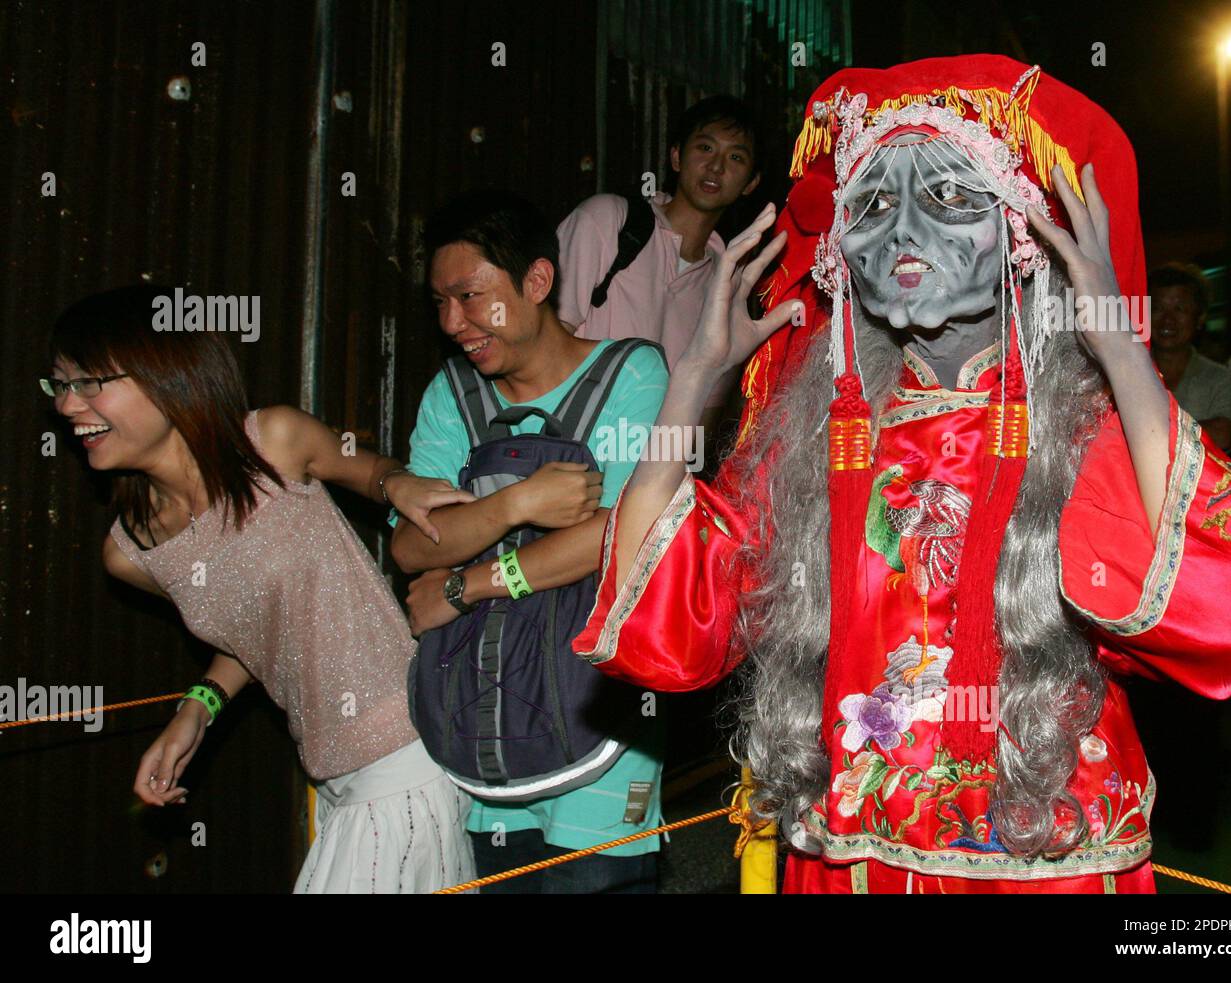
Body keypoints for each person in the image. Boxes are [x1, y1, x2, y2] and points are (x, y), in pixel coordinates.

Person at [573, 56, 1231, 893]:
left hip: (1035, 855)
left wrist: (1118, 347)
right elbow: (672, 626)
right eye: (872, 205)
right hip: (846, 852)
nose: (904, 229)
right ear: (844, 255)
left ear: (1024, 239)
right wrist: (692, 385)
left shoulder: (1080, 426)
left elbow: (1230, 591)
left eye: (951, 198)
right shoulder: (813, 439)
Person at [46, 285, 477, 893]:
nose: (68, 406)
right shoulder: (130, 551)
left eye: (89, 381)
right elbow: (254, 633)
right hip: (332, 775)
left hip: (408, 751)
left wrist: (396, 485)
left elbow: (373, 472)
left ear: (169, 374)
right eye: (60, 385)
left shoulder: (272, 442)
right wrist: (196, 710)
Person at [388, 191, 669, 893]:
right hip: (485, 727)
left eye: (472, 297)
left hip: (600, 724)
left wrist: (469, 582)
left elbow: (625, 531)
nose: (454, 322)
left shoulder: (632, 374)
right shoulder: (452, 396)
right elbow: (412, 546)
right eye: (441, 302)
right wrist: (520, 501)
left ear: (537, 282)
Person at [555, 96, 761, 436]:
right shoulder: (608, 222)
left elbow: (703, 417)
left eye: (735, 157)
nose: (716, 167)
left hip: (648, 477)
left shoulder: (726, 286)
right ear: (677, 157)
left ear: (750, 183)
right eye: (705, 148)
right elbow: (543, 337)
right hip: (567, 451)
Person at [1149, 262, 1231, 451]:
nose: (1167, 320)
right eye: (1157, 308)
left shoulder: (1220, 378)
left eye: (1179, 309)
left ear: (1199, 319)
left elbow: (1223, 436)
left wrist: (1146, 430)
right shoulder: (1125, 373)